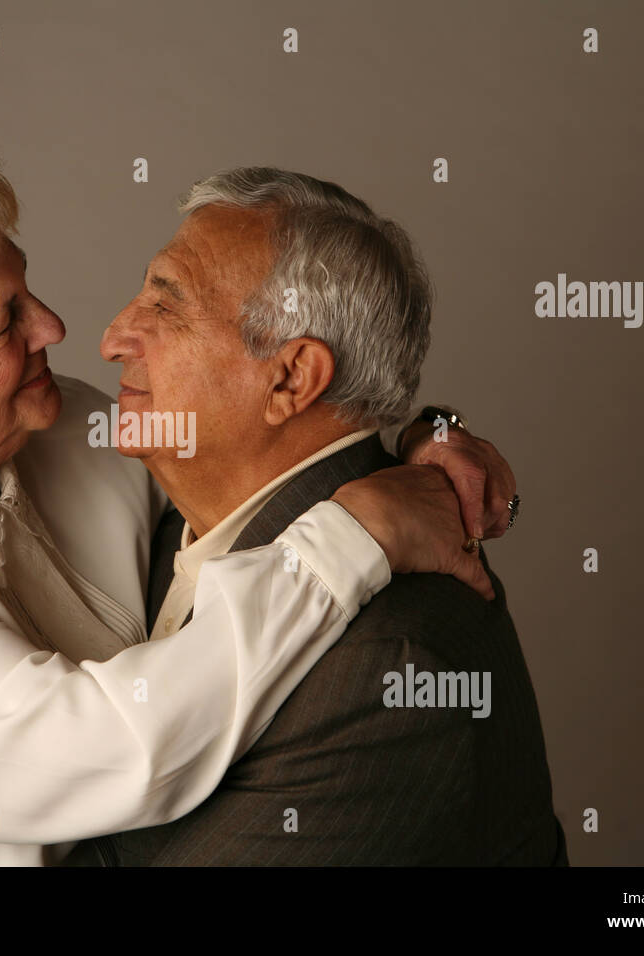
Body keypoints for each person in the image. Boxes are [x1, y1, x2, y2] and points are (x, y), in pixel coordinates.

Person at [0, 113, 516, 865]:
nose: (60, 329)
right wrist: (359, 530)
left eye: (24, 287)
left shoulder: (58, 430)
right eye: (4, 323)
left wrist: (426, 438)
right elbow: (98, 751)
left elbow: (261, 462)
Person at [70, 167, 563, 865]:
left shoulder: (391, 672)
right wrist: (434, 428)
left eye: (168, 306)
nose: (115, 337)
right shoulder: (154, 527)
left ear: (292, 378)